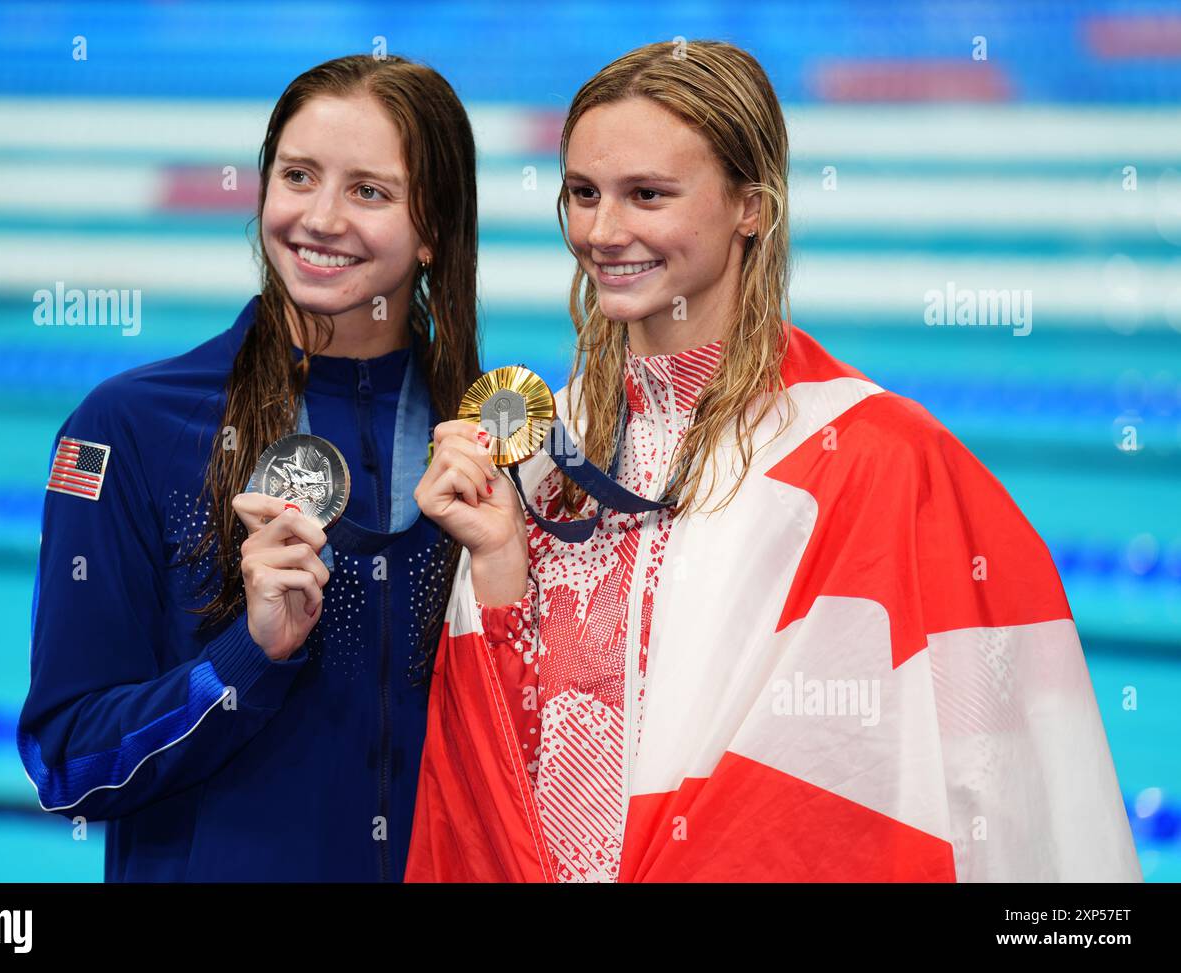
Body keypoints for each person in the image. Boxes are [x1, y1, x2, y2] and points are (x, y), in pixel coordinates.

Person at [407, 39, 1141, 882]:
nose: (602, 232)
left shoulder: (872, 455)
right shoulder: (542, 453)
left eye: (647, 194)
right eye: (582, 194)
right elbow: (494, 769)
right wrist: (495, 559)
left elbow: (988, 784)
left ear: (750, 206)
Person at [17, 54, 479, 881]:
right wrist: (250, 655)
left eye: (368, 191)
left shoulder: (487, 447)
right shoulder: (129, 427)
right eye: (298, 176)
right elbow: (67, 760)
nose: (320, 218)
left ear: (434, 228)